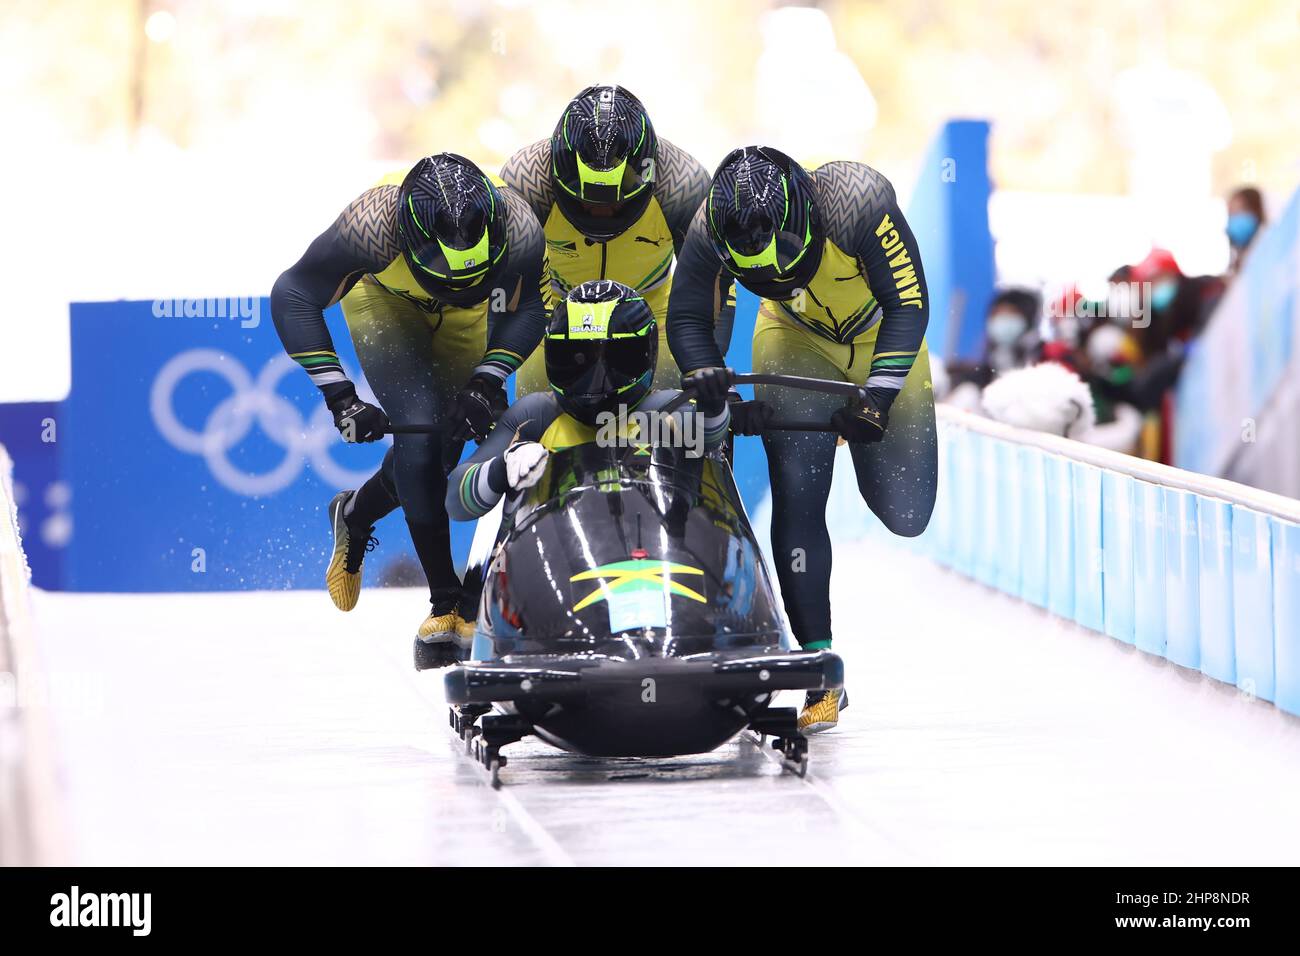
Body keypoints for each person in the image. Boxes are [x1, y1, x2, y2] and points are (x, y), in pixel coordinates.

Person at [667, 146, 936, 733]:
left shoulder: (856, 202)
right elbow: (687, 318)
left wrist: (878, 397)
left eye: (787, 255)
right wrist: (711, 382)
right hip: (794, 337)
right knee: (797, 491)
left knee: (907, 510)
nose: (775, 272)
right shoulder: (710, 224)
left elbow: (909, 304)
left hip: (880, 335)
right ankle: (821, 667)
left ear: (805, 218)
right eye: (756, 270)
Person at [270, 152, 550, 658]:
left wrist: (488, 380)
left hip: (469, 320)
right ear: (412, 242)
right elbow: (292, 294)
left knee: (441, 452)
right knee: (419, 432)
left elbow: (529, 306)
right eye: (443, 270)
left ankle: (356, 514)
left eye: (471, 271)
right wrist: (340, 397)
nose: (454, 281)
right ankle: (445, 606)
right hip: (386, 302)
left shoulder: (521, 225)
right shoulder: (370, 228)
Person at [501, 85, 729, 396]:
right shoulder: (525, 181)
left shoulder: (684, 185)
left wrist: (708, 373)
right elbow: (502, 293)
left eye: (615, 201)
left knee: (672, 420)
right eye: (585, 201)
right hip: (555, 317)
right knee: (536, 412)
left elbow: (716, 284)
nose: (601, 212)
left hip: (656, 320)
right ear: (556, 176)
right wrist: (491, 385)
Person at [446, 278, 729, 522]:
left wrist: (713, 404)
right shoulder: (535, 415)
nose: (594, 382)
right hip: (554, 550)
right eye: (578, 361)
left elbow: (708, 437)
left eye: (615, 360)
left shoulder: (664, 409)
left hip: (653, 546)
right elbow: (455, 503)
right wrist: (501, 468)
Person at [1225, 185, 1266, 275]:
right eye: (1231, 214)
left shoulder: (1269, 252)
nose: (1234, 220)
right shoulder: (1241, 262)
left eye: (1240, 211)